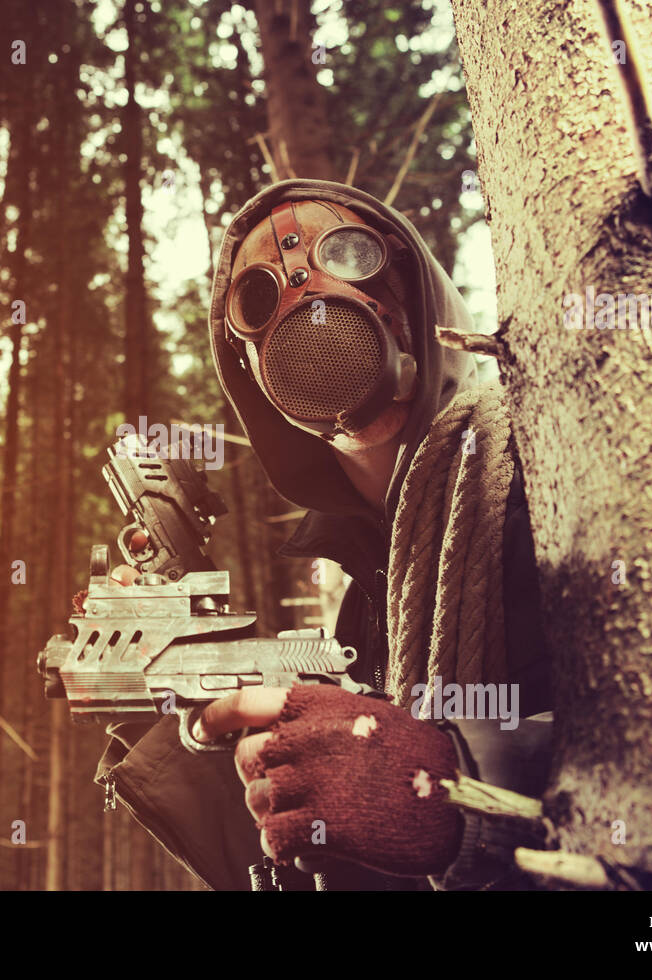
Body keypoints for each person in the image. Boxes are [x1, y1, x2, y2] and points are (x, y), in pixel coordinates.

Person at [95, 178, 554, 890]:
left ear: (415, 291)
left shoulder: (540, 488)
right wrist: (171, 698)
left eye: (345, 252)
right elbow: (348, 855)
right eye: (260, 297)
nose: (306, 292)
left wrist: (462, 781)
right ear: (249, 373)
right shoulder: (369, 591)